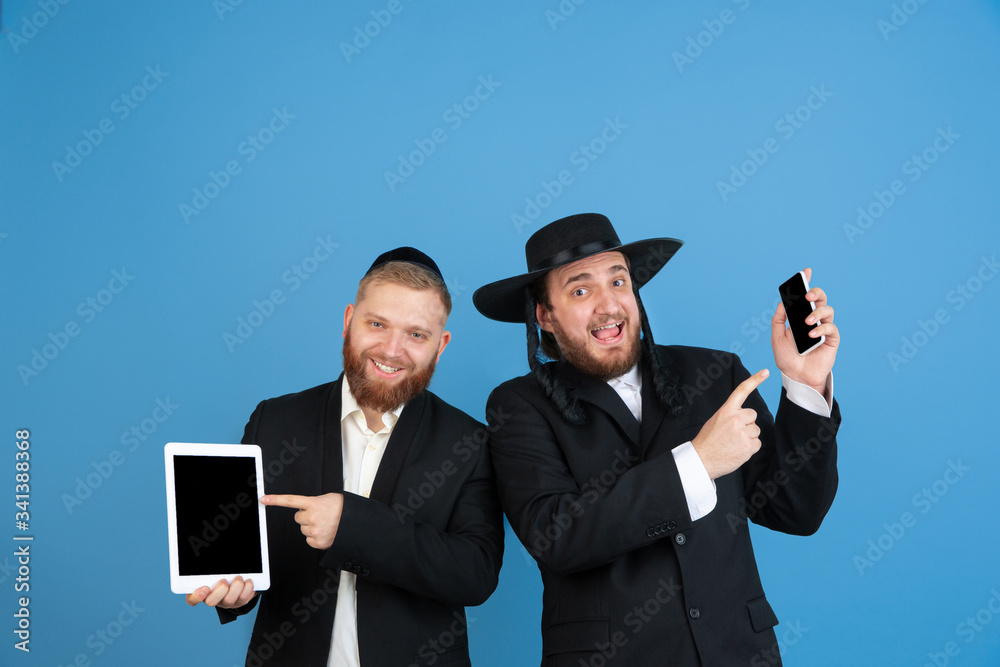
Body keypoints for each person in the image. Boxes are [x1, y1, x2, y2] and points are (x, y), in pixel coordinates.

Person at [473, 213, 840, 666]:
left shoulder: (715, 374)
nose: (608, 306)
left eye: (619, 282)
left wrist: (804, 387)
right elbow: (557, 537)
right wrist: (698, 463)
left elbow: (795, 511)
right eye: (581, 290)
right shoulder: (518, 405)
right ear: (544, 316)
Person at [187, 247, 504, 667]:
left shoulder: (469, 441)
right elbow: (245, 556)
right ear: (348, 321)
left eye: (416, 334)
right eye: (377, 324)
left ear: (440, 345)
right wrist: (233, 593)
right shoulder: (274, 421)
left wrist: (352, 526)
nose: (392, 350)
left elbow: (475, 573)